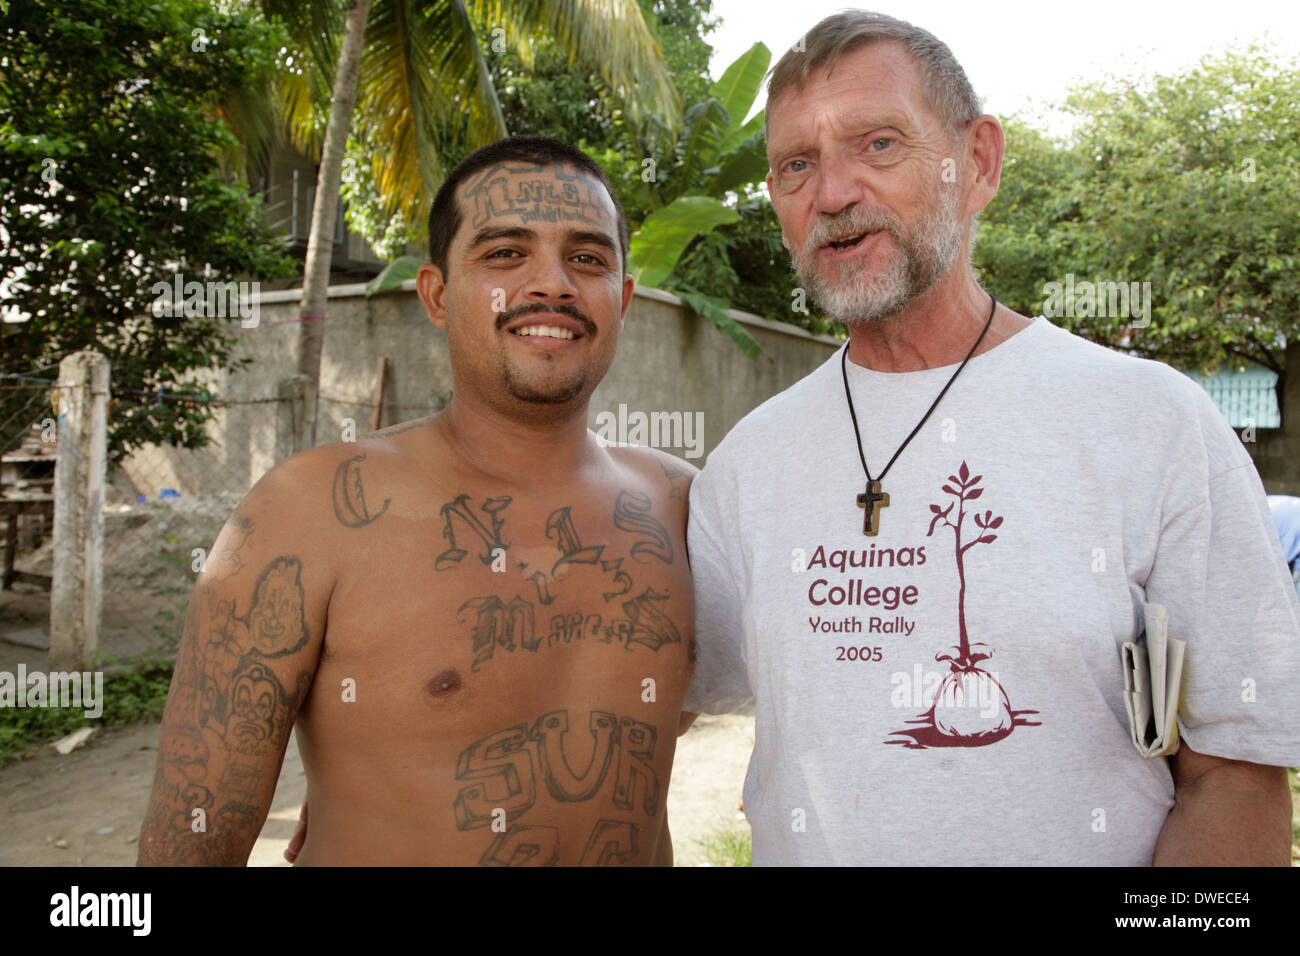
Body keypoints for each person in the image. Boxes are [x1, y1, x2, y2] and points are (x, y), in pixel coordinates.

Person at [683, 11, 1300, 865]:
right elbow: (637, 711)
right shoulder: (747, 466)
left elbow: (1234, 777)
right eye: (797, 165)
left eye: (879, 144)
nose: (832, 194)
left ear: (977, 163)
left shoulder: (1154, 425)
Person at [138, 136, 697, 866]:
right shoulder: (308, 513)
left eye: (587, 258)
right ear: (437, 294)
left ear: (621, 299)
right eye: (504, 254)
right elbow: (190, 848)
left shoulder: (685, 509)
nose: (553, 284)